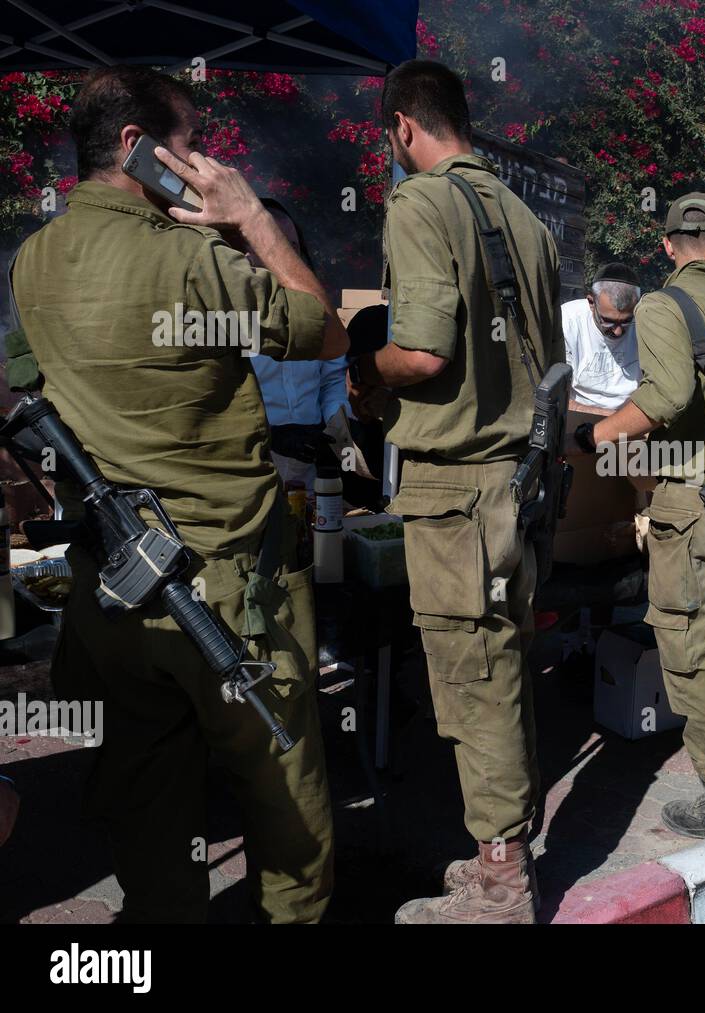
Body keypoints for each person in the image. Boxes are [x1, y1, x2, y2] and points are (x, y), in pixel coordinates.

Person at [11, 65, 345, 922]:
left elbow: (20, 386)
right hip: (231, 591)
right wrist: (255, 220)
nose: (201, 160)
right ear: (136, 146)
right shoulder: (192, 259)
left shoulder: (34, 256)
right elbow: (321, 328)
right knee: (282, 794)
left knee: (150, 801)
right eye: (189, 140)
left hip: (112, 591)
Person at [345, 60, 561, 924]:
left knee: (474, 674)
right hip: (521, 485)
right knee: (503, 663)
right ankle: (503, 851)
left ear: (403, 127)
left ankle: (503, 881)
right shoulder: (527, 220)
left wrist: (366, 370)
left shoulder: (421, 203)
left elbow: (425, 353)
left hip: (458, 488)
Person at [569, 192, 705, 847]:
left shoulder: (664, 304)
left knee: (696, 646)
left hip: (695, 505)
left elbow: (667, 396)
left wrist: (596, 437)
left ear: (668, 246)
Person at [249, 197, 349, 489]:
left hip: (310, 469)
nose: (286, 257)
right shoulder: (227, 314)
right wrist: (271, 435)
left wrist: (337, 426)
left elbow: (332, 383)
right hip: (254, 467)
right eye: (275, 246)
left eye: (293, 248)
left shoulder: (315, 312)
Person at [563, 261, 641, 412]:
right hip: (576, 413)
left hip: (631, 417)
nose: (618, 331)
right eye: (608, 321)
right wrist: (607, 417)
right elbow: (555, 395)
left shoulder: (646, 322)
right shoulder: (568, 321)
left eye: (626, 321)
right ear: (591, 303)